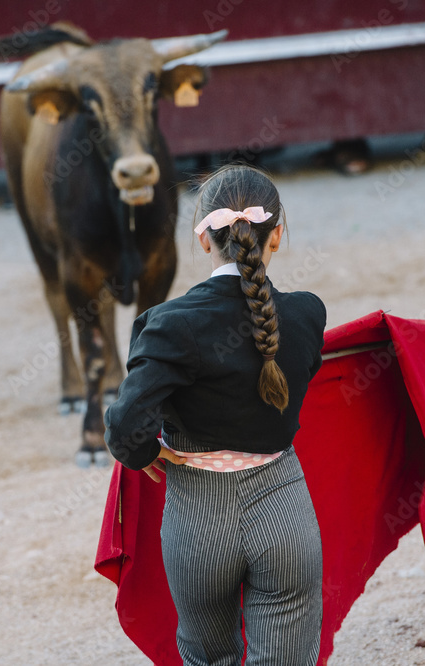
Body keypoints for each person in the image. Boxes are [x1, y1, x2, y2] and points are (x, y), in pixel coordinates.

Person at [104, 164, 328, 666]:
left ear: (203, 238)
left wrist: (146, 453)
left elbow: (124, 424)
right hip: (283, 508)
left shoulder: (166, 326)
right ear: (278, 235)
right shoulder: (307, 314)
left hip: (198, 518)